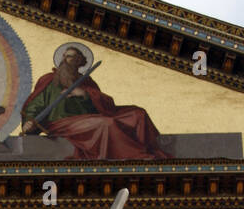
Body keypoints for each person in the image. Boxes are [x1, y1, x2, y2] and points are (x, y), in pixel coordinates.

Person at [21, 44, 167, 160]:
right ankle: (136, 156)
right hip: (63, 123)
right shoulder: (49, 80)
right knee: (106, 123)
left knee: (137, 114)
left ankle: (148, 149)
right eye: (64, 56)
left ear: (79, 61)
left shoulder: (86, 81)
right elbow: (34, 106)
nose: (65, 60)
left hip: (90, 118)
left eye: (70, 57)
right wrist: (29, 123)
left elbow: (105, 104)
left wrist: (85, 93)